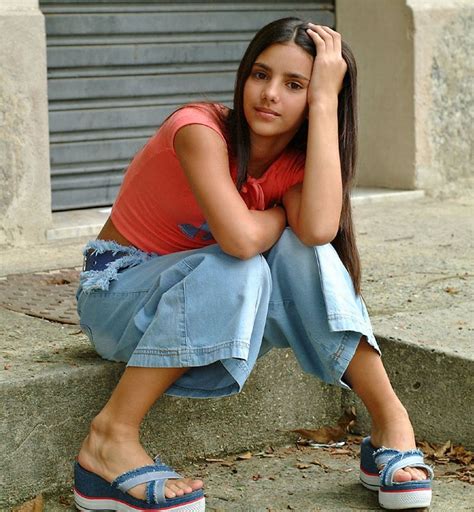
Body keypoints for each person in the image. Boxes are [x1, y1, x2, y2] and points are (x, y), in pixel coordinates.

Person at [73, 17, 433, 512]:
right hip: (119, 299)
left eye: (295, 85)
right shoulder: (198, 130)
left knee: (303, 250)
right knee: (239, 263)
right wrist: (279, 215)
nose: (269, 94)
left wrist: (326, 104)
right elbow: (241, 241)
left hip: (206, 309)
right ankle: (109, 436)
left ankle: (390, 420)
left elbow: (318, 231)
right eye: (261, 75)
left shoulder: (299, 163)